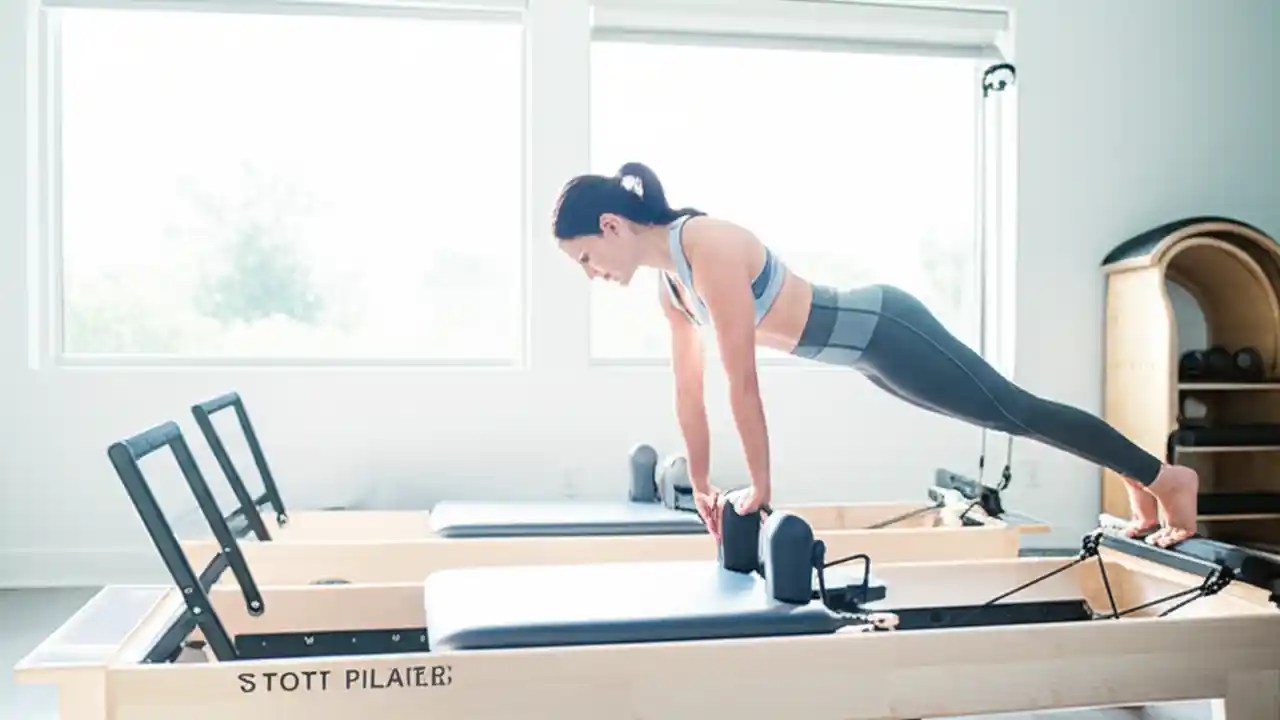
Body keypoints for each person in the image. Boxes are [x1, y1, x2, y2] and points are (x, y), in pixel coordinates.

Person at [550, 161, 1200, 549]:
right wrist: (702, 487)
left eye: (585, 258)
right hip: (866, 356)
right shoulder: (671, 290)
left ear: (610, 225)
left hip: (885, 327)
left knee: (1012, 411)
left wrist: (764, 486)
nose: (591, 273)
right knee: (1012, 412)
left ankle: (1167, 479)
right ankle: (1138, 476)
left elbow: (739, 381)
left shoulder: (706, 246)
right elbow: (687, 394)